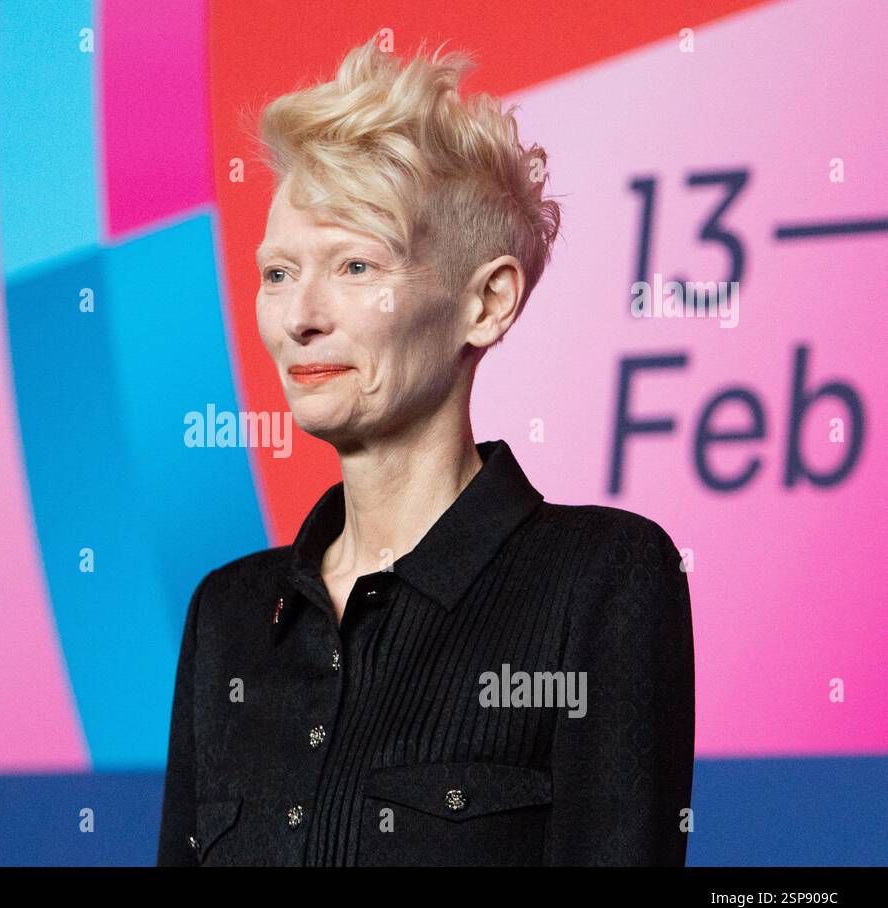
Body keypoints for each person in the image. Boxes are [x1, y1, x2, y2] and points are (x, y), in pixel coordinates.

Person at [157, 37, 694, 866]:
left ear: (486, 301)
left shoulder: (602, 580)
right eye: (276, 273)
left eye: (355, 265)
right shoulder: (228, 618)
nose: (299, 317)